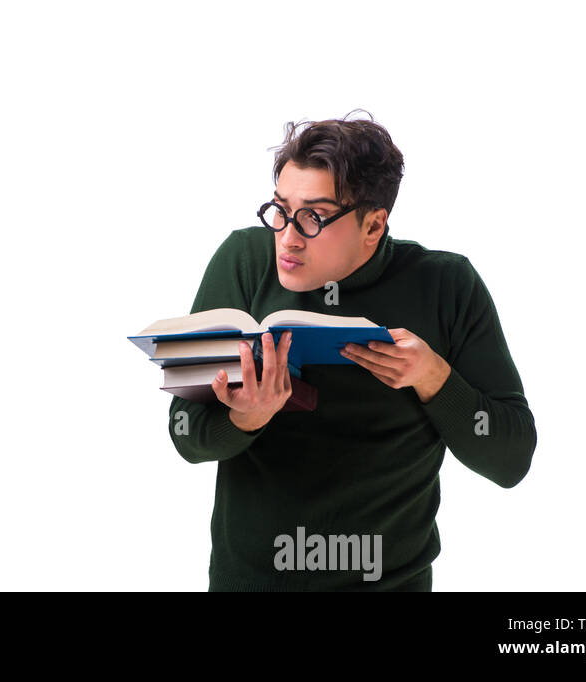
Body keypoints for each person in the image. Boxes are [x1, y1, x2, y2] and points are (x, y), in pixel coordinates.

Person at [168, 112, 536, 591]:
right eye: (280, 209)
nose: (288, 237)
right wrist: (245, 419)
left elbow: (511, 460)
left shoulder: (447, 286)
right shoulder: (242, 262)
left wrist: (435, 380)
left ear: (374, 226)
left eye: (314, 217)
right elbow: (185, 435)